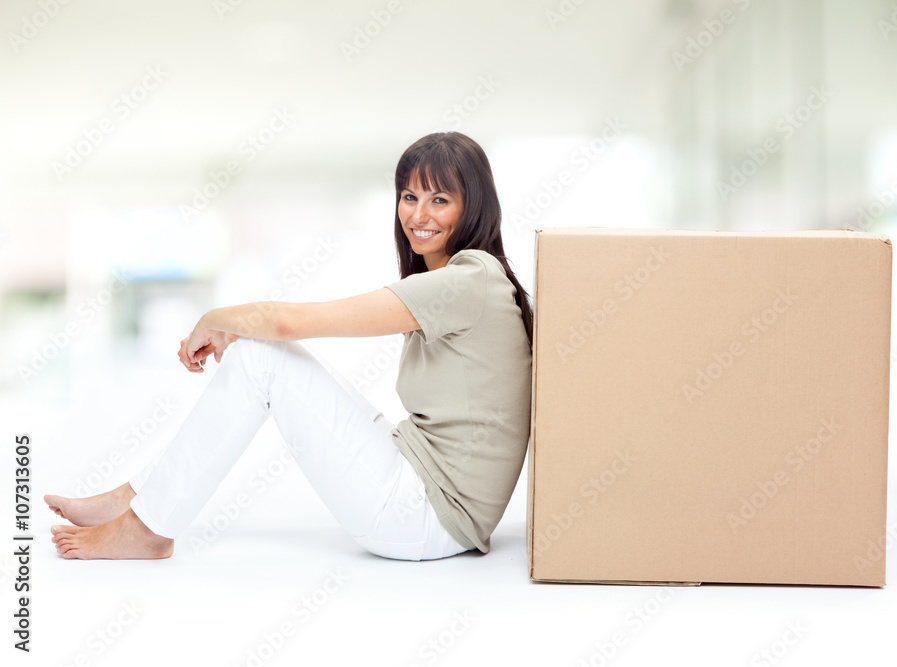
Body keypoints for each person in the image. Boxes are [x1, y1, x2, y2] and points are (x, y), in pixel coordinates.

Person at [46, 132, 533, 561]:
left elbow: (291, 322)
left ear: (474, 206)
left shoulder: (467, 281)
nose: (418, 215)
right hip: (421, 485)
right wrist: (238, 330)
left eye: (439, 199)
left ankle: (147, 528)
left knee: (262, 356)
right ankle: (138, 500)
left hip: (426, 518)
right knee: (260, 353)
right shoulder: (471, 279)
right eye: (409, 196)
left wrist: (214, 319)